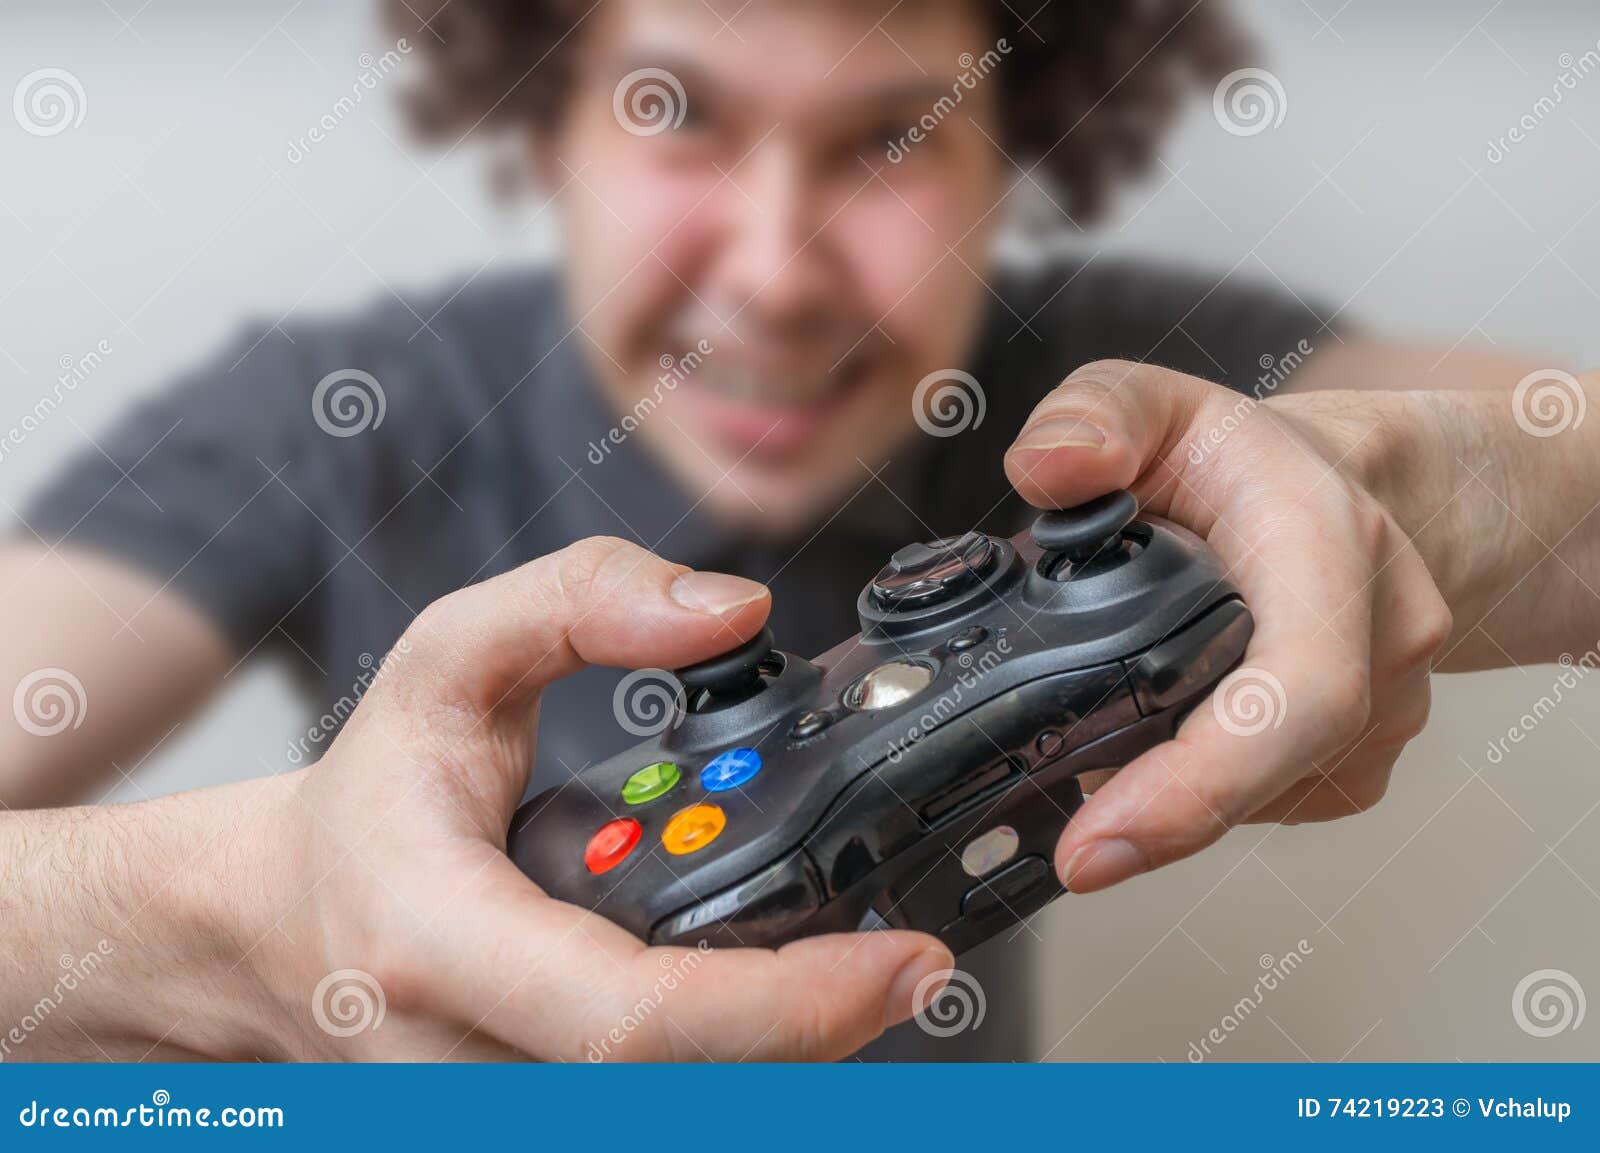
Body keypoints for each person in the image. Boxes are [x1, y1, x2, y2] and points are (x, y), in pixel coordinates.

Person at [0, 0, 1590, 1061]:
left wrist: (1449, 485)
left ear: (1008, 152)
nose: (775, 271)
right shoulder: (340, 412)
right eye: (673, 112)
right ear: (544, 130)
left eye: (891, 140)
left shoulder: (1121, 385)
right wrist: (241, 913)